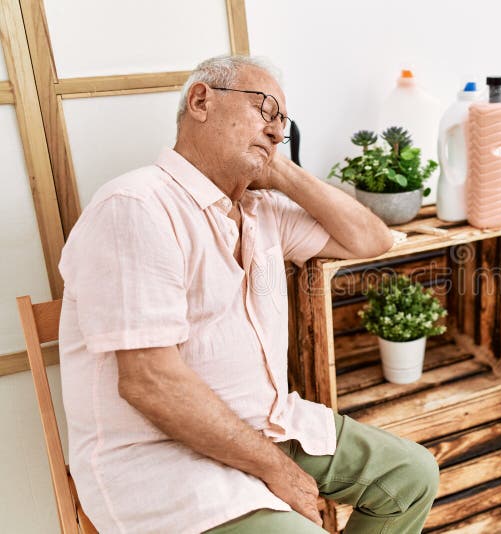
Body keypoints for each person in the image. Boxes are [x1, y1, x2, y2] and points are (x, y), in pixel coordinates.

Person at [58, 55, 440, 534]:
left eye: (284, 123)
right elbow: (149, 382)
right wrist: (281, 473)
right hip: (164, 459)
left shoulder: (263, 212)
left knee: (411, 476)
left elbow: (373, 239)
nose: (278, 131)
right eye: (266, 110)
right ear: (201, 101)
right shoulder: (136, 206)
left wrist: (279, 172)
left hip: (269, 425)